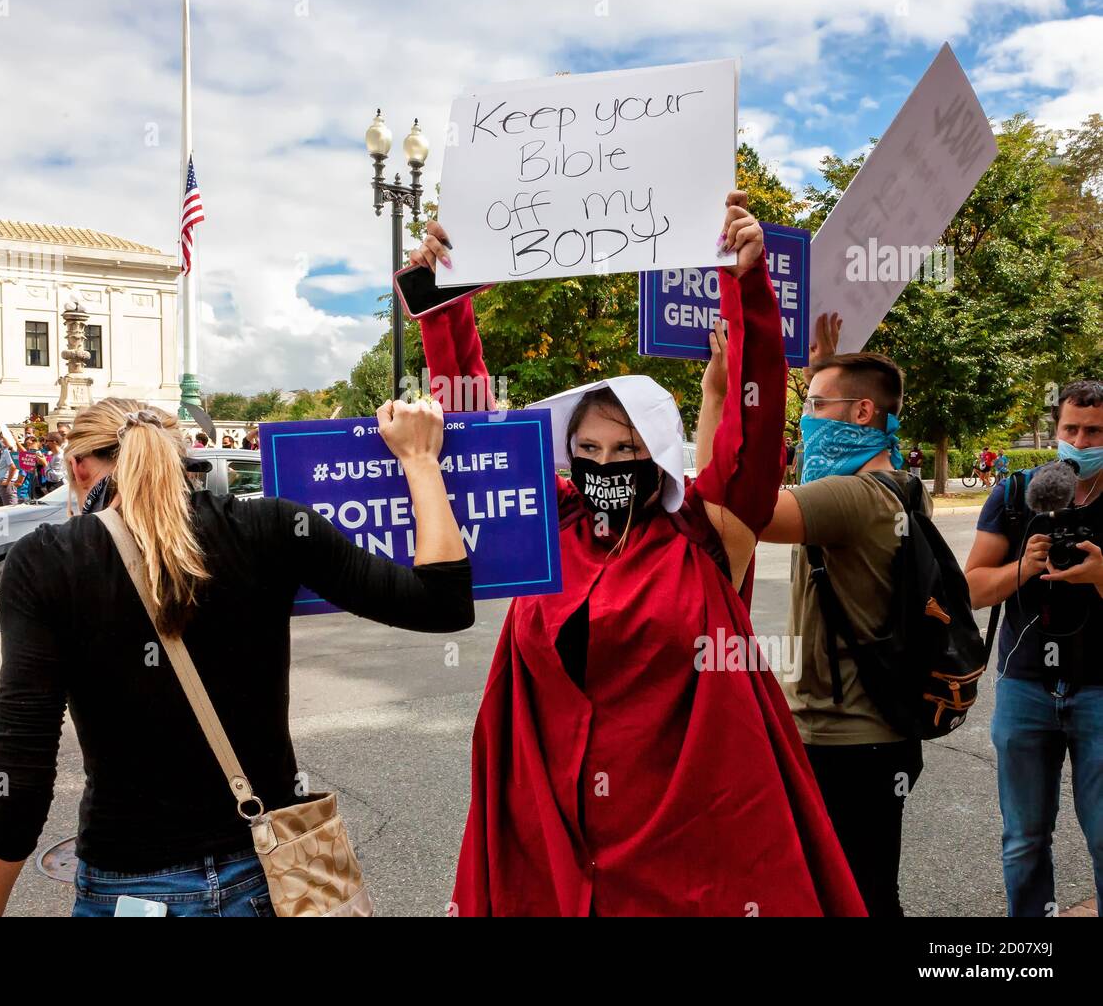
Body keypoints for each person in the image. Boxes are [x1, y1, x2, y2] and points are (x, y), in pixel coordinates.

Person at [412, 196, 865, 917]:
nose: (605, 464)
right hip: (554, 842)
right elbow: (473, 437)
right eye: (589, 450)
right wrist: (444, 300)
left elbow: (748, 433)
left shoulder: (705, 534)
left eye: (626, 451)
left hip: (681, 855)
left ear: (657, 459)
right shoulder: (552, 522)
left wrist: (745, 283)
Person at [0, 395, 474, 917]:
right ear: (184, 455)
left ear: (78, 467)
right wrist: (419, 461)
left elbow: (17, 777)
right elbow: (441, 602)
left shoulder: (46, 559)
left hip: (130, 883)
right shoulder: (273, 527)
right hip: (273, 877)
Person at [753, 312, 926, 917]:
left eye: (817, 407)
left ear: (861, 415)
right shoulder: (902, 486)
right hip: (883, 731)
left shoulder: (851, 502)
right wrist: (818, 374)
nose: (806, 420)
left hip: (845, 739)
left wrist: (740, 386)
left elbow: (745, 508)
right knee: (871, 888)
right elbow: (814, 481)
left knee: (854, 897)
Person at [965, 379, 1103, 917]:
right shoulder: (1017, 490)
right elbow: (971, 588)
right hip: (1024, 686)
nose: (1080, 440)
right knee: (1023, 840)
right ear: (1056, 428)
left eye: (1094, 431)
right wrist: (1022, 567)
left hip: (1098, 688)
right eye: (1071, 428)